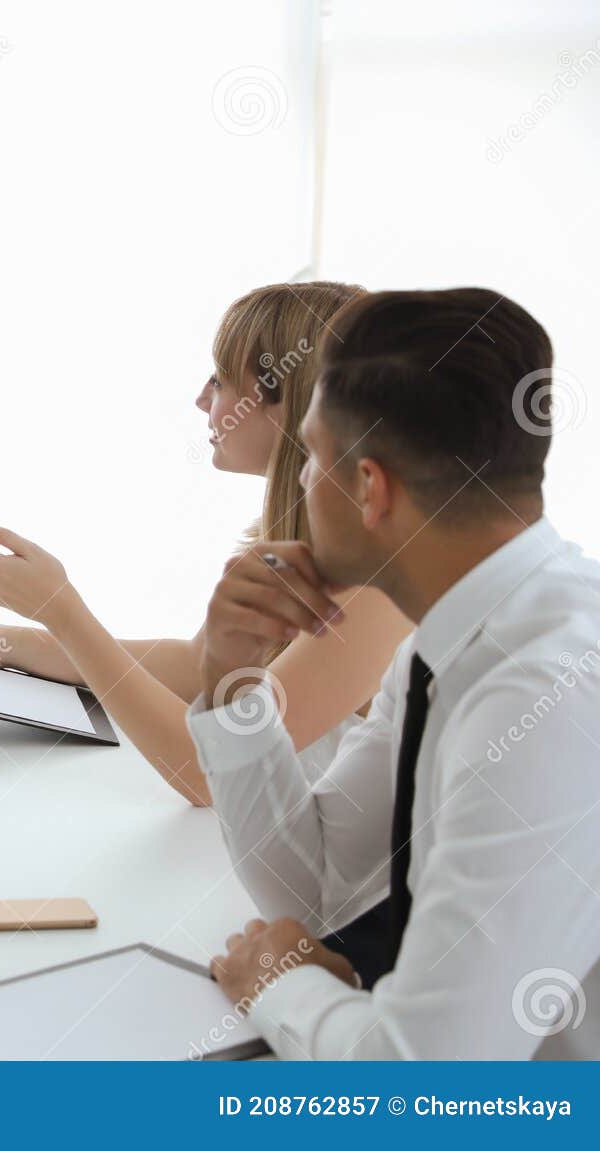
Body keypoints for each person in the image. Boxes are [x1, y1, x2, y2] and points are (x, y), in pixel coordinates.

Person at [196, 288, 600, 1058]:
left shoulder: (549, 692)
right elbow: (312, 888)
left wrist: (279, 983)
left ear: (368, 487)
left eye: (311, 455)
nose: (301, 481)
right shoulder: (447, 641)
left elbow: (425, 1087)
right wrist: (230, 685)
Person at [0, 283, 412, 805]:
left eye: (220, 380)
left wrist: (59, 610)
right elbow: (195, 667)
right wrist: (5, 641)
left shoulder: (379, 586)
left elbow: (211, 775)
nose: (202, 399)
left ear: (290, 405)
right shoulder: (303, 548)